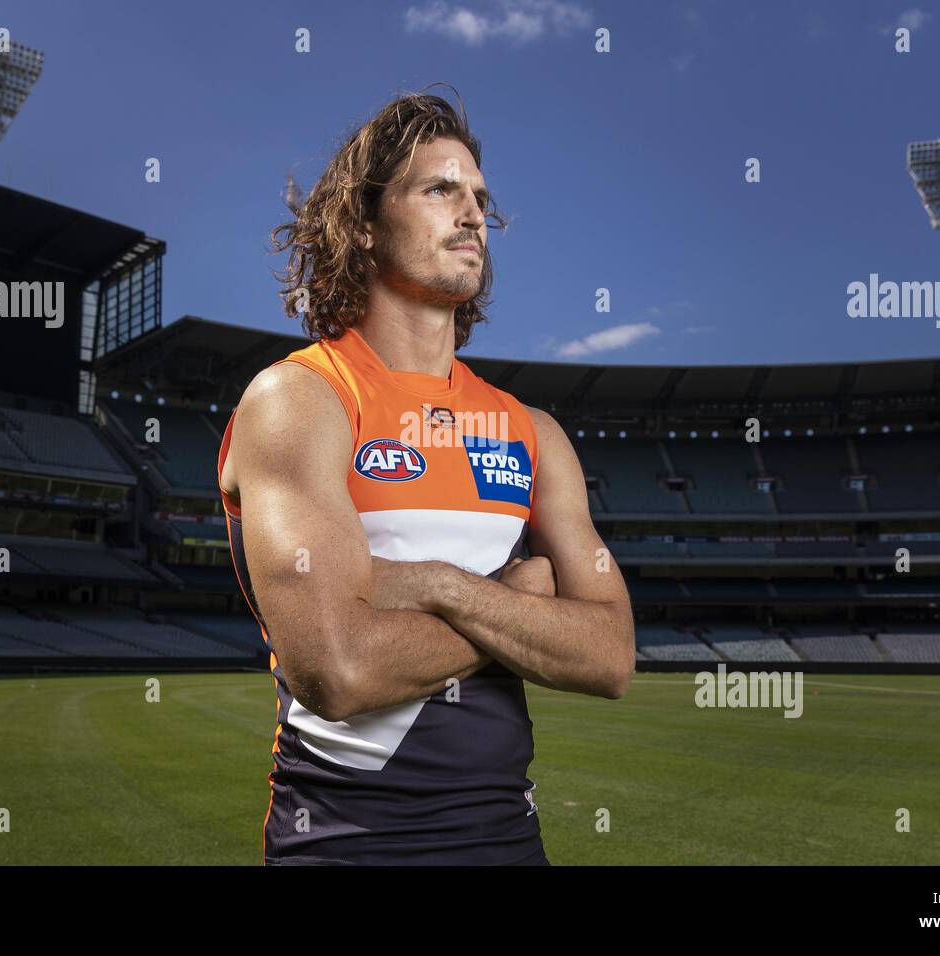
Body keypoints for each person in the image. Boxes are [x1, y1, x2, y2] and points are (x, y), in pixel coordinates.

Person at [218, 86, 634, 865]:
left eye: (479, 196)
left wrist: (431, 585)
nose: (473, 213)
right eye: (440, 188)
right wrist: (504, 601)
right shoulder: (301, 400)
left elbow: (609, 655)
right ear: (365, 225)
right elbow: (338, 670)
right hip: (345, 848)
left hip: (510, 843)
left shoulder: (530, 432)